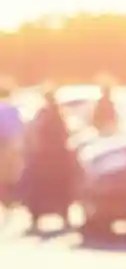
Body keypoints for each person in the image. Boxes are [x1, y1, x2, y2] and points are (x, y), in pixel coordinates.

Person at [24, 88, 77, 230]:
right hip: (55, 158)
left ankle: (39, 220)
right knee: (57, 189)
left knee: (44, 189)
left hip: (47, 158)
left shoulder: (46, 114)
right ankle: (62, 218)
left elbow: (34, 134)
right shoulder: (57, 114)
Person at [0, 79, 25, 212]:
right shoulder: (13, 109)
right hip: (13, 144)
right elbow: (20, 127)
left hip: (2, 143)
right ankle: (10, 197)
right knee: (12, 172)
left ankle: (4, 197)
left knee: (2, 172)